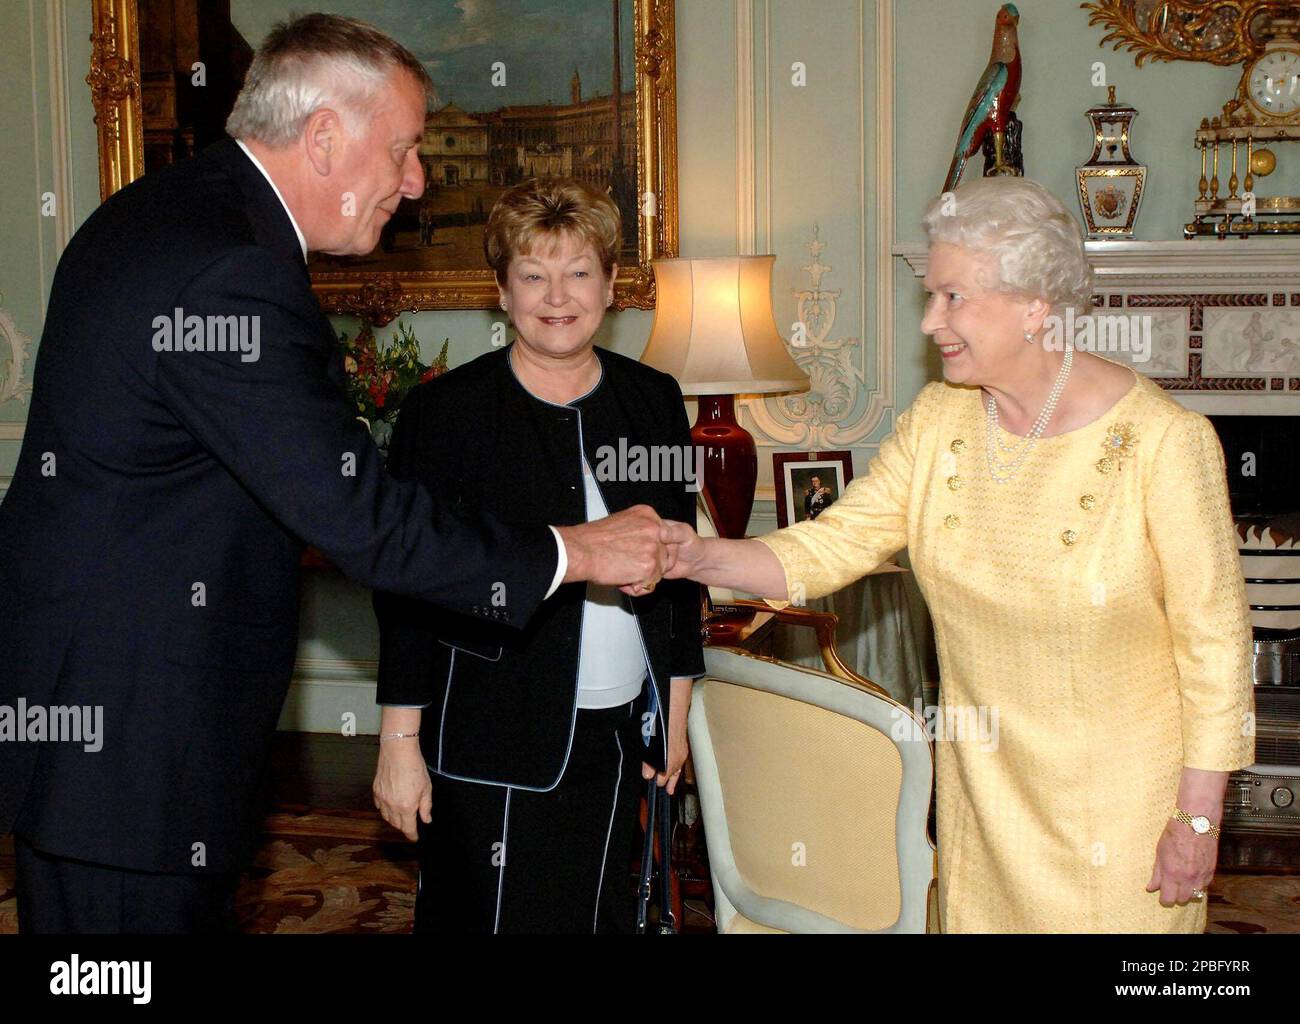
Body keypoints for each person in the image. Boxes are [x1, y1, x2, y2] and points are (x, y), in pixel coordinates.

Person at [0, 13, 670, 935]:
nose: (416, 180)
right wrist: (575, 552)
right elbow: (362, 518)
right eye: (401, 150)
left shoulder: (174, 213)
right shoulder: (231, 266)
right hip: (131, 748)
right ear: (323, 137)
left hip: (103, 718)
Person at [662, 176, 1254, 933]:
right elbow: (831, 544)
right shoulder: (939, 421)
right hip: (983, 803)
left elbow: (1217, 651)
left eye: (953, 298)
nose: (931, 321)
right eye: (930, 298)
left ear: (1036, 305)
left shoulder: (1165, 443)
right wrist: (694, 556)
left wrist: (1197, 821)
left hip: (1120, 815)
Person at [371, 177, 704, 933]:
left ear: (612, 286)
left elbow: (679, 572)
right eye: (533, 275)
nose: (558, 295)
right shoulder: (445, 415)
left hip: (622, 727)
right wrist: (399, 743)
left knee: (598, 913)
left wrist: (674, 718)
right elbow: (407, 595)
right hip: (490, 734)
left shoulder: (652, 400)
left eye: (579, 271)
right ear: (501, 291)